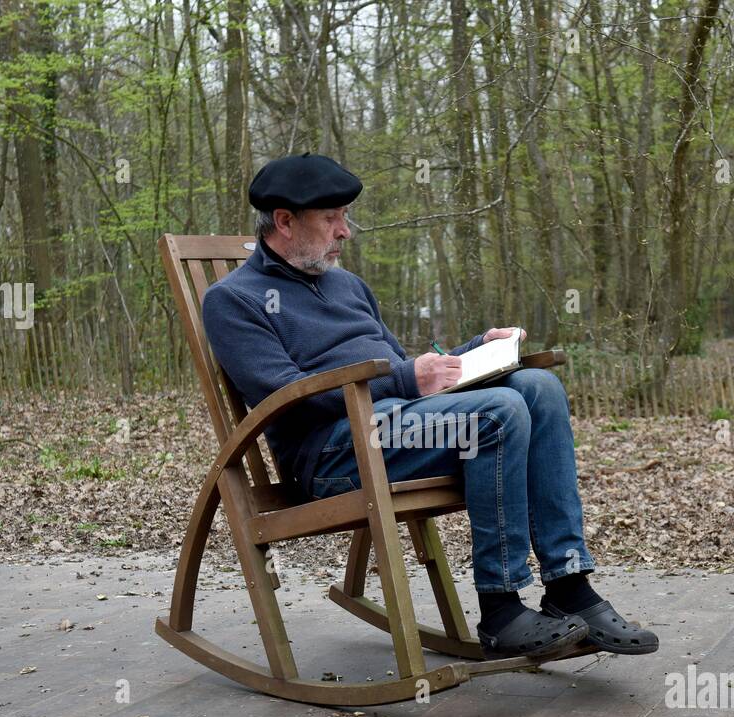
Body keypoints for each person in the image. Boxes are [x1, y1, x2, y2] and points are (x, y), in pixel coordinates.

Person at [201, 152, 658, 661]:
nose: (345, 231)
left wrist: (476, 350)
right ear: (284, 221)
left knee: (537, 388)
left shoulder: (347, 285)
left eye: (344, 217)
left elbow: (403, 367)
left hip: (403, 429)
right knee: (498, 413)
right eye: (331, 218)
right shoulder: (233, 299)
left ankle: (569, 585)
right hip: (338, 453)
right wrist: (403, 377)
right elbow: (283, 398)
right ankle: (501, 608)